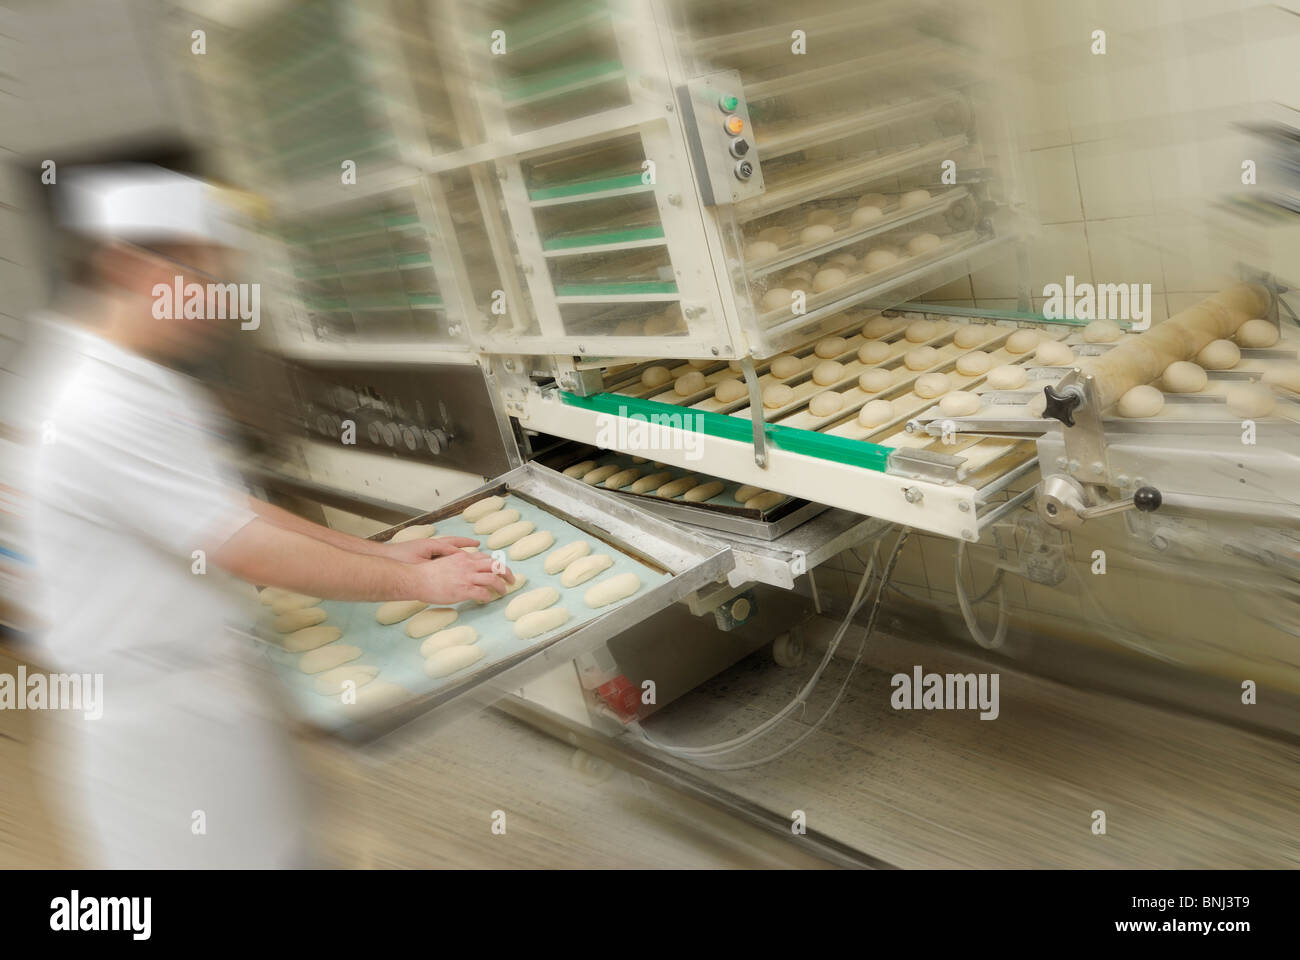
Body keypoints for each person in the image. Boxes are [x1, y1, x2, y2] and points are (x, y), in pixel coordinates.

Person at [28, 164, 513, 868]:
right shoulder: (98, 402)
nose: (217, 303)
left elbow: (226, 509)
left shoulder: (137, 380)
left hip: (207, 696)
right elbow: (244, 545)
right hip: (161, 731)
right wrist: (418, 585)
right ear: (129, 267)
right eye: (202, 277)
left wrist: (383, 554)